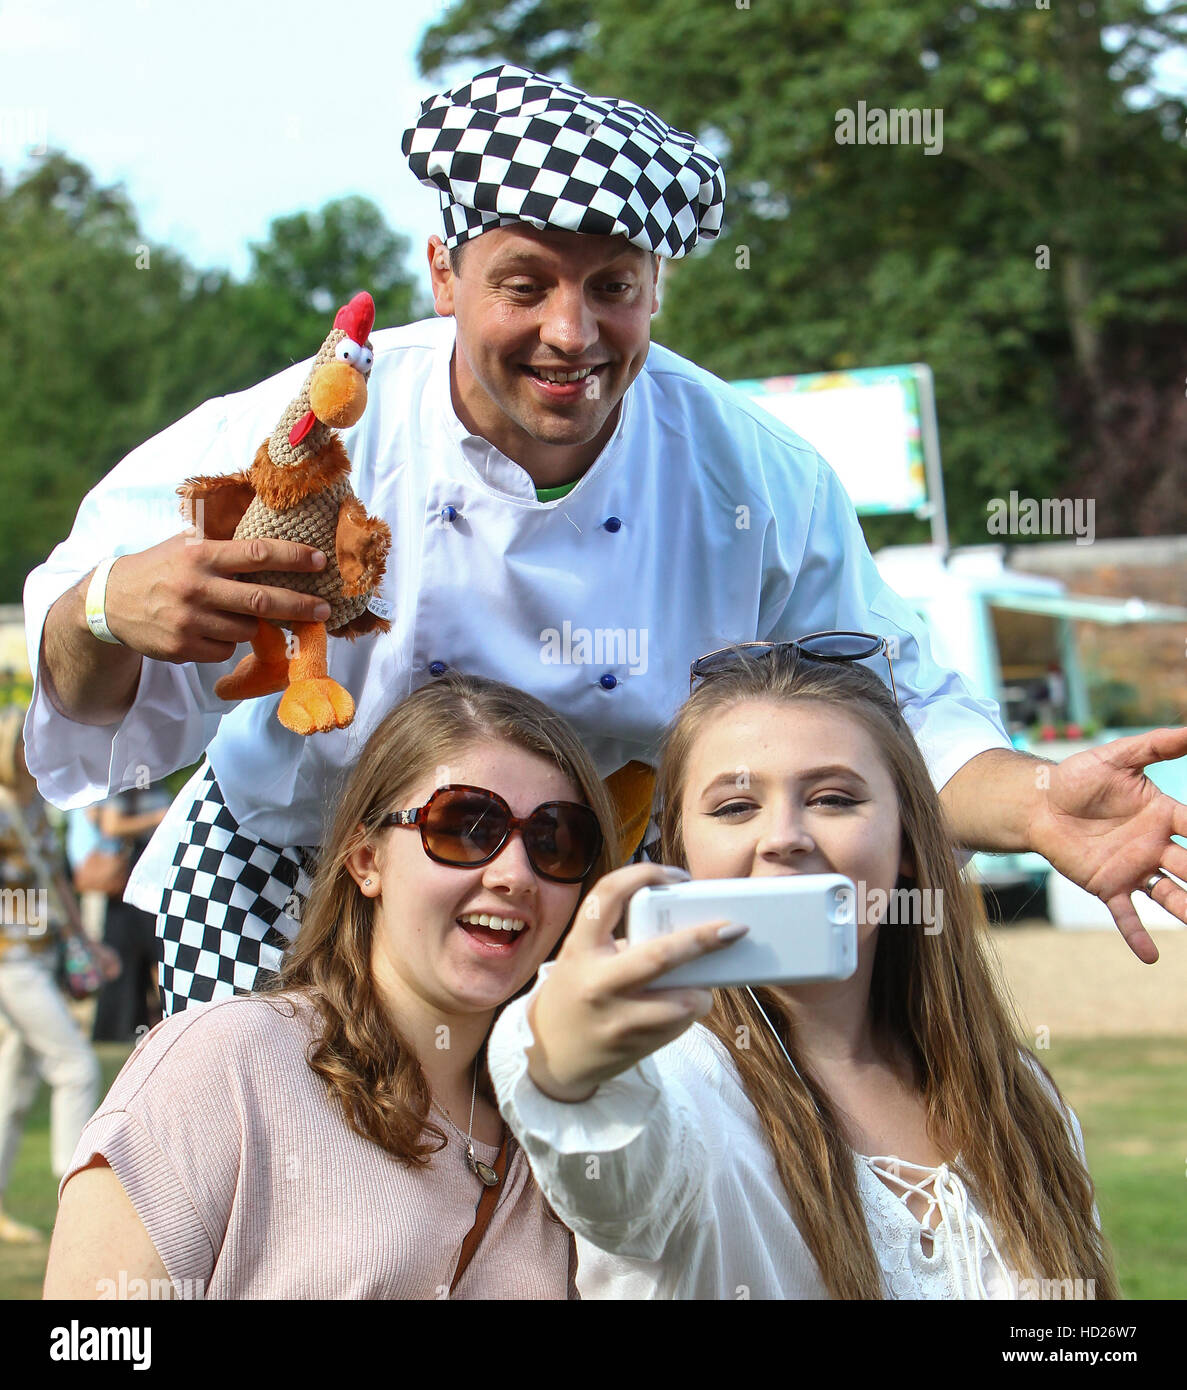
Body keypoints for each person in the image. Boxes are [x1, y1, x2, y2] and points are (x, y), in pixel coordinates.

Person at [22, 66, 1187, 1017]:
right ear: (442, 272)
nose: (570, 335)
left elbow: (891, 708)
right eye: (523, 284)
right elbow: (80, 694)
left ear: (657, 290)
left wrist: (1034, 802)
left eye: (613, 288)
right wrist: (104, 610)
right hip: (288, 886)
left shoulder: (749, 475)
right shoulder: (312, 426)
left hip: (573, 908)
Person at [487, 647, 1119, 1299]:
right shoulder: (669, 1074)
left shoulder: (1018, 1092)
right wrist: (563, 1070)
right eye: (734, 807)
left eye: (833, 799)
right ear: (679, 851)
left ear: (906, 840)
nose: (783, 836)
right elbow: (613, 1184)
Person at [42, 672, 618, 1298]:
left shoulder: (585, 1127)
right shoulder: (226, 1066)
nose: (515, 873)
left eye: (555, 840)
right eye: (464, 827)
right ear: (366, 860)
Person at [0, 709, 109, 1244]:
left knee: (12, 1089)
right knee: (76, 1065)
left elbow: (57, 881)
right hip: (9, 964)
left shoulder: (36, 807)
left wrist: (87, 944)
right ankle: (78, 1200)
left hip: (41, 957)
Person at [88, 787, 169, 1043]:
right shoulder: (125, 786)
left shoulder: (159, 783)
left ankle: (166, 1022)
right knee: (149, 956)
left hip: (152, 879)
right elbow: (111, 827)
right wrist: (156, 819)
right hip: (131, 882)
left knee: (157, 955)